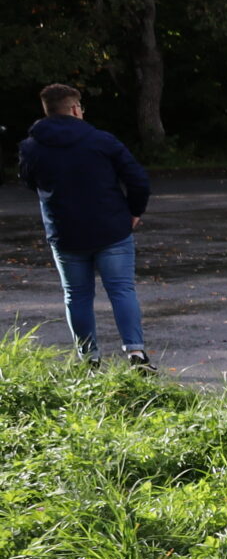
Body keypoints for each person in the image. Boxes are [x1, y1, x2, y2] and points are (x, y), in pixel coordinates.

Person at [20, 84, 152, 369]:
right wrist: (134, 211)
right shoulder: (102, 140)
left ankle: (88, 358)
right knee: (121, 290)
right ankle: (136, 354)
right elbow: (138, 179)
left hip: (65, 232)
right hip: (111, 228)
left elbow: (31, 182)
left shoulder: (31, 146)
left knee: (76, 295)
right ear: (76, 109)